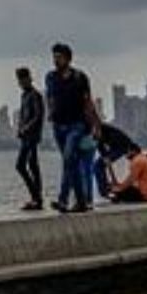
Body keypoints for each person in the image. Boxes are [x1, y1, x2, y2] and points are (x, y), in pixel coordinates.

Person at [46, 43, 102, 213]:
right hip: (58, 125)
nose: (56, 60)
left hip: (76, 125)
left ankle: (63, 199)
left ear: (68, 58)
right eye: (54, 57)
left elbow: (88, 102)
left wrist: (96, 125)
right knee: (72, 163)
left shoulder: (80, 77)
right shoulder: (50, 77)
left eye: (59, 57)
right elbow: (49, 97)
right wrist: (51, 112)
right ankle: (82, 202)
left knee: (69, 158)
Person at [14, 67, 45, 211]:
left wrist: (26, 128)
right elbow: (23, 115)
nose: (19, 83)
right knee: (32, 165)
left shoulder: (35, 95)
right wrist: (20, 128)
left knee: (21, 166)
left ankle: (37, 198)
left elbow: (38, 116)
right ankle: (37, 199)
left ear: (27, 78)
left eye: (21, 80)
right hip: (25, 136)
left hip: (31, 136)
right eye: (18, 80)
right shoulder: (24, 96)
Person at [92, 123, 137, 197]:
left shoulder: (112, 134)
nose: (96, 137)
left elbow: (121, 145)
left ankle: (104, 189)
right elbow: (100, 145)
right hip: (117, 148)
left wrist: (107, 158)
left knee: (98, 165)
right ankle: (104, 188)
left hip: (122, 147)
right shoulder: (98, 133)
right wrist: (105, 156)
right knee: (98, 165)